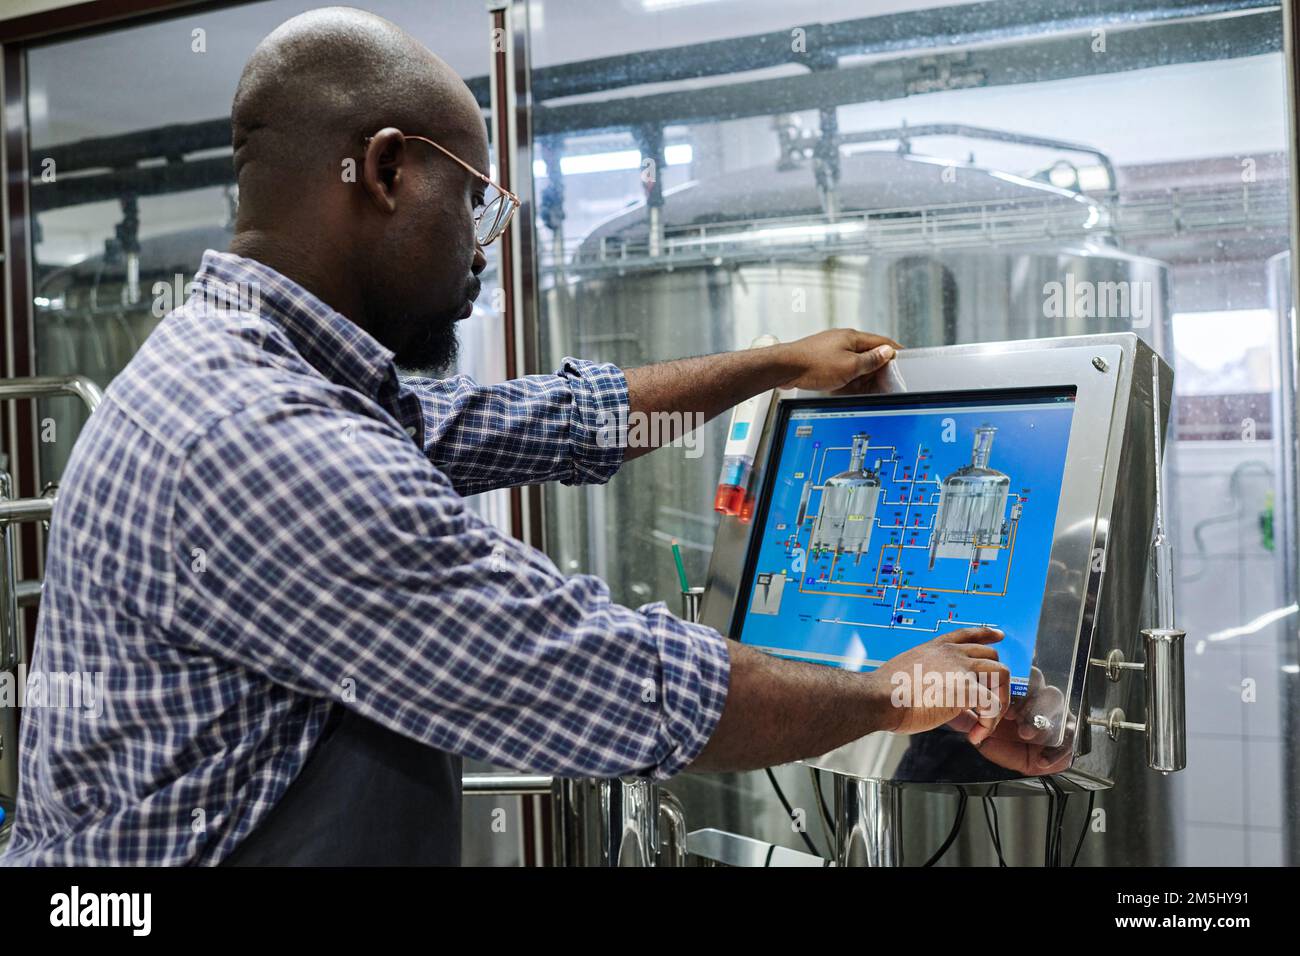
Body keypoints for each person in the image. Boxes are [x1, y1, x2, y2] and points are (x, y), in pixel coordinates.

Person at [1, 8, 1034, 867]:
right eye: (474, 201)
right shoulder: (272, 439)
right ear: (386, 170)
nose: (482, 251)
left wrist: (772, 365)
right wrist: (895, 687)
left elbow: (541, 421)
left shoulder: (254, 364)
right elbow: (600, 677)